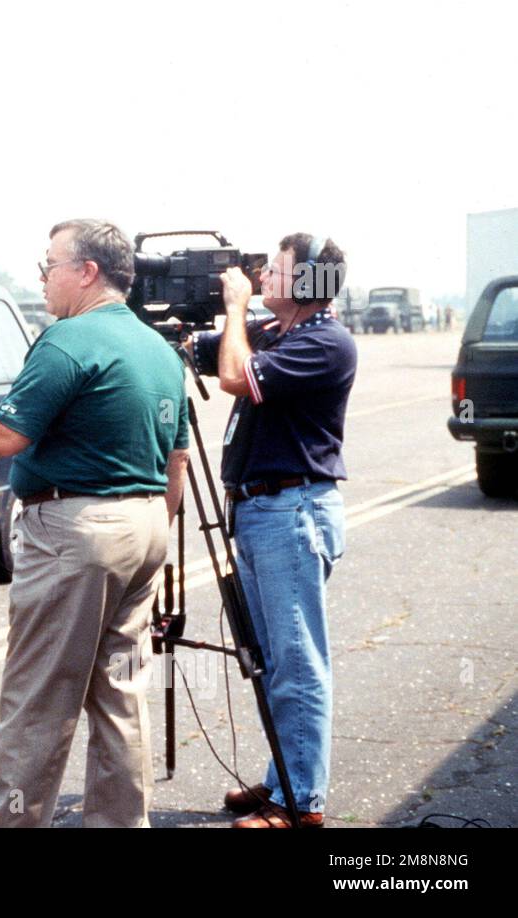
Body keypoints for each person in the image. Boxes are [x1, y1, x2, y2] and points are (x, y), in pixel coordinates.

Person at [0, 219, 189, 827]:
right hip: (147, 527)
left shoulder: (67, 341)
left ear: (87, 272)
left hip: (78, 537)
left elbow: (4, 434)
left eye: (49, 265)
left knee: (38, 705)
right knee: (121, 698)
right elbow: (175, 464)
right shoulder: (159, 348)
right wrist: (143, 521)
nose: (43, 278)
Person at [187, 233, 356, 828]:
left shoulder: (326, 343)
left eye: (279, 271)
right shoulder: (276, 332)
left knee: (298, 662)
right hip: (262, 513)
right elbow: (203, 350)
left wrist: (234, 308)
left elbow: (234, 375)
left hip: (293, 513)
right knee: (271, 661)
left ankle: (300, 802)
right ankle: (283, 776)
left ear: (311, 284)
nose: (263, 278)